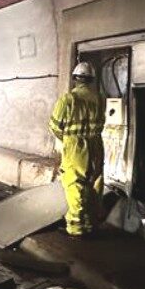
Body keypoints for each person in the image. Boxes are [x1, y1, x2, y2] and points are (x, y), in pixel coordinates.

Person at [49, 62, 105, 237]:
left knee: (75, 185)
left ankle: (76, 228)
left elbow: (54, 125)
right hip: (96, 143)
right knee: (93, 183)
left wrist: (66, 139)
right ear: (92, 80)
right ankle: (91, 223)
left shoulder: (68, 99)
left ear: (75, 79)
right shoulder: (100, 98)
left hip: (75, 147)